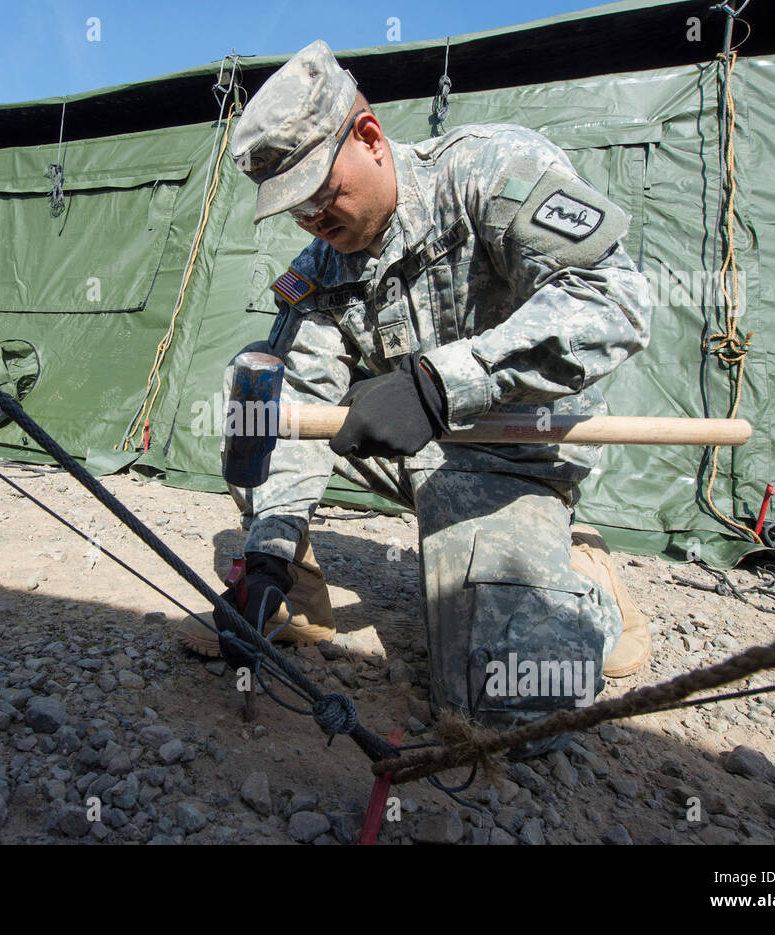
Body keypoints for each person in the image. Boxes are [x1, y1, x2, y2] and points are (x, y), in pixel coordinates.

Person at [176, 39, 652, 756]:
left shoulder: (492, 173)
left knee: (513, 706)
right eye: (293, 208)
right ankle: (291, 590)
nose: (312, 218)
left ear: (368, 136)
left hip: (505, 454)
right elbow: (298, 399)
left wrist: (441, 383)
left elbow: (616, 299)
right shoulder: (322, 267)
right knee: (260, 400)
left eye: (320, 191)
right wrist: (267, 551)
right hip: (402, 446)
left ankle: (585, 579)